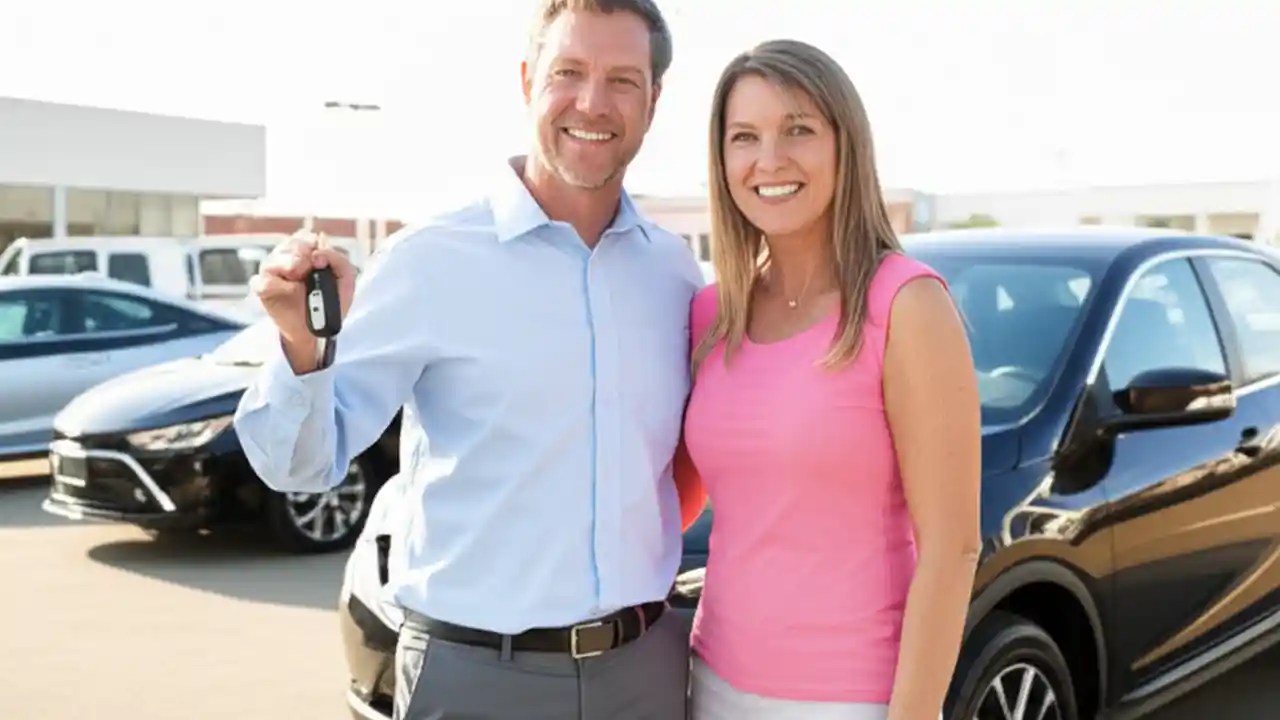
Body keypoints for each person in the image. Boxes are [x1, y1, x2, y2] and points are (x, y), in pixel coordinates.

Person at [233, 1, 706, 718]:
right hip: (477, 677)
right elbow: (299, 465)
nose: (592, 102)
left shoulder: (672, 273)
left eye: (622, 80)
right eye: (568, 72)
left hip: (646, 672)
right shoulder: (432, 260)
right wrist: (303, 350)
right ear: (527, 82)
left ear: (654, 100)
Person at [678, 40, 982, 720]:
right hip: (710, 683)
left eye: (799, 130)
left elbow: (954, 547)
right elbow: (680, 501)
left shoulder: (905, 305)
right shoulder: (711, 314)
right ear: (721, 160)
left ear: (846, 145)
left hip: (853, 699)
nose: (770, 160)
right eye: (745, 137)